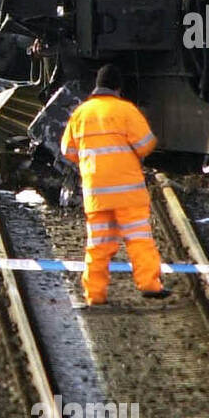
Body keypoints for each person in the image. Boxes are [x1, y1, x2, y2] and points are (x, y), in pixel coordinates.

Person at [61, 63, 169, 306]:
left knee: (97, 245)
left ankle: (95, 294)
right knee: (139, 239)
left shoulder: (80, 114)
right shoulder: (126, 110)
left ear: (96, 86)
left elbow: (67, 150)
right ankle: (150, 285)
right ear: (118, 88)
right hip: (128, 193)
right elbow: (146, 144)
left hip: (96, 195)